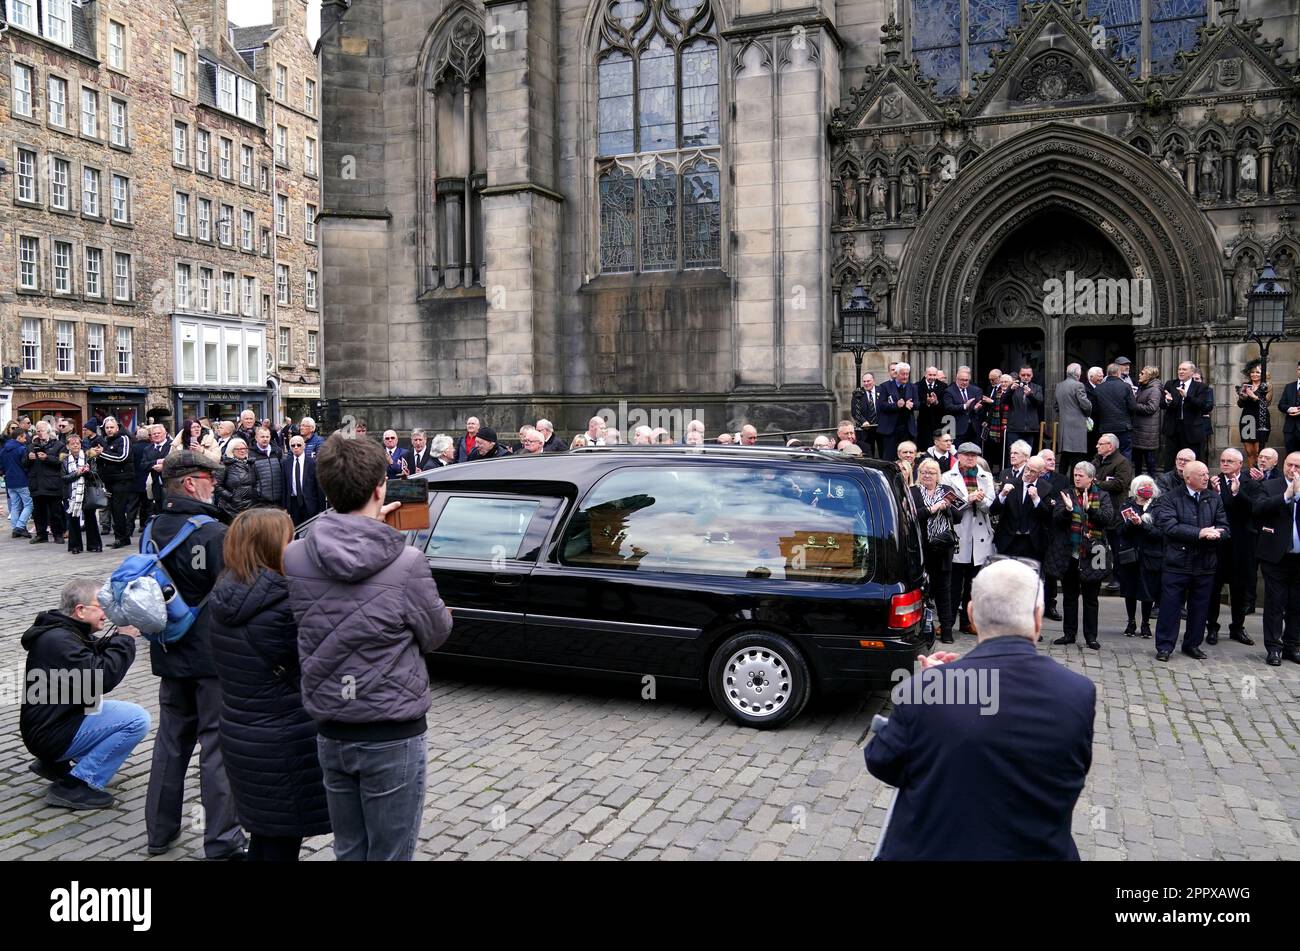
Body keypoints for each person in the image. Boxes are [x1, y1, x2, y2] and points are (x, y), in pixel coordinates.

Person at [283, 433, 454, 861]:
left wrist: (369, 529)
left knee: (350, 848)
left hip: (332, 725)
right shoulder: (408, 562)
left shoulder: (295, 556)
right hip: (391, 729)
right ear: (381, 487)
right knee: (390, 853)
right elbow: (436, 634)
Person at [864, 559, 1095, 860]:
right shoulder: (1078, 693)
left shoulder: (929, 691)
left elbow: (883, 761)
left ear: (971, 614)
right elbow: (1071, 772)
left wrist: (932, 685)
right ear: (1038, 618)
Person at [208, 509, 332, 861]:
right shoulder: (282, 603)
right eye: (289, 539)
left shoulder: (225, 592)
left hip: (241, 731)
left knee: (266, 833)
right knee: (282, 839)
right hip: (282, 738)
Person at [144, 450, 247, 859]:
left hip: (169, 650)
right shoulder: (214, 532)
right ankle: (222, 841)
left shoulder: (152, 527)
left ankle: (159, 832)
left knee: (171, 742)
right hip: (212, 658)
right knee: (217, 748)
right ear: (190, 483)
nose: (214, 484)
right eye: (209, 477)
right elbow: (233, 596)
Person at [20, 580, 146, 810]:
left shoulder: (64, 632)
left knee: (93, 702)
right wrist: (125, 639)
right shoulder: (60, 640)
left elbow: (95, 653)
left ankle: (55, 764)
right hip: (50, 733)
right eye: (102, 607)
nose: (106, 614)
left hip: (50, 727)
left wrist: (120, 637)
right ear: (80, 610)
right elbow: (102, 678)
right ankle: (77, 784)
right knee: (136, 719)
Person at [1151, 460, 1229, 663]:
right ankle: (1165, 646)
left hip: (1205, 562)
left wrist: (1217, 534)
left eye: (1206, 474)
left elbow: (1224, 526)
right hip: (1177, 562)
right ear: (1188, 478)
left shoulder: (1213, 498)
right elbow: (1170, 527)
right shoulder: (1169, 498)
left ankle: (1192, 644)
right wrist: (1200, 533)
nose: (1206, 478)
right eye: (1202, 475)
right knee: (1170, 607)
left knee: (1200, 607)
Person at [1045, 461, 1114, 650]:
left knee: (1091, 598)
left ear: (1091, 478)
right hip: (1070, 553)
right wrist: (1068, 510)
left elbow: (1107, 519)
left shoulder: (1102, 495)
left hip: (1094, 553)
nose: (1076, 478)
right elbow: (1056, 519)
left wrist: (1089, 509)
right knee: (1069, 596)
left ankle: (1091, 636)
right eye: (1075, 474)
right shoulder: (1066, 494)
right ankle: (1069, 634)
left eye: (1080, 475)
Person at [1249, 451, 1300, 666]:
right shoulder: (1270, 485)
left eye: (1298, 467)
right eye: (1290, 465)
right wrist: (1287, 496)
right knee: (1274, 603)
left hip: (1299, 557)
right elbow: (1258, 509)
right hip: (1275, 556)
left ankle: (1292, 645)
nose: (1293, 470)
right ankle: (1274, 647)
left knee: (1297, 604)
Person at [940, 442, 995, 636]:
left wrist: (980, 501)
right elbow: (949, 505)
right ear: (959, 456)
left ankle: (968, 621)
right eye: (967, 455)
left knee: (973, 584)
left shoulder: (985, 477)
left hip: (979, 536)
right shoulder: (947, 477)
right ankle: (948, 621)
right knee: (954, 584)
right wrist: (968, 500)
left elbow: (991, 506)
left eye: (974, 455)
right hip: (959, 533)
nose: (970, 458)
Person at [1205, 449, 1256, 647]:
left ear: (1240, 464)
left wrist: (1237, 492)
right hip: (1218, 543)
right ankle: (1212, 627)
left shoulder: (1249, 483)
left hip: (1241, 544)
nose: (1224, 464)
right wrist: (1216, 494)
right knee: (1214, 587)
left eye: (1229, 461)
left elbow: (1254, 508)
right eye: (1223, 460)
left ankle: (1237, 626)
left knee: (1239, 588)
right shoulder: (1213, 482)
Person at [912, 459, 957, 643]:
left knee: (943, 591)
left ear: (937, 474)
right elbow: (914, 515)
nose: (927, 475)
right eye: (924, 472)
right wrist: (934, 508)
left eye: (931, 472)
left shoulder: (947, 490)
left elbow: (959, 516)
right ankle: (923, 630)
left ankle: (947, 630)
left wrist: (947, 508)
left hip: (943, 548)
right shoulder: (913, 491)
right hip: (922, 548)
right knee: (922, 591)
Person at [1115, 475, 1163, 638]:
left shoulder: (1158, 506)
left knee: (1147, 591)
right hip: (1130, 555)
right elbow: (1120, 530)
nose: (1147, 488)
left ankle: (1145, 623)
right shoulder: (1127, 505)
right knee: (1130, 590)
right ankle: (1131, 622)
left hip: (1150, 555)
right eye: (1144, 486)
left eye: (1150, 485)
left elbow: (1160, 533)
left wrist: (1142, 525)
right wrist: (1131, 523)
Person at [991, 454, 1051, 564]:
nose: (1028, 473)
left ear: (1040, 473)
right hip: (1009, 540)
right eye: (1027, 468)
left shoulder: (1045, 487)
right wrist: (1003, 494)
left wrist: (1036, 499)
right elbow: (993, 510)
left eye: (1033, 471)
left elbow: (1047, 517)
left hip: (1032, 542)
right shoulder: (1010, 483)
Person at [60, 433, 103, 554]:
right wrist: (77, 473)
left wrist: (88, 471)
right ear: (68, 446)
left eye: (77, 443)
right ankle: (75, 546)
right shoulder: (64, 460)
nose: (75, 445)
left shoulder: (89, 456)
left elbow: (95, 474)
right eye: (72, 444)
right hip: (71, 493)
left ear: (81, 445)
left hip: (87, 491)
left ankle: (94, 545)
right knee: (73, 519)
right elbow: (64, 477)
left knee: (90, 518)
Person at [24, 420, 66, 544]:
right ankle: (41, 535)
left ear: (48, 431)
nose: (39, 433)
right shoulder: (31, 446)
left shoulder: (59, 445)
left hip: (53, 484)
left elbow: (62, 462)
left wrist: (47, 458)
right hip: (36, 483)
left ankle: (58, 534)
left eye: (41, 430)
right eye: (37, 430)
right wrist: (28, 458)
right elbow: (24, 464)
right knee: (38, 512)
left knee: (55, 512)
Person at [1163, 361, 1211, 466]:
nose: (1180, 372)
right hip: (1173, 429)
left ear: (1192, 372)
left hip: (1192, 430)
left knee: (1193, 461)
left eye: (1184, 369)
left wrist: (1187, 396)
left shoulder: (1201, 387)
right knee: (1171, 461)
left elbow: (1202, 405)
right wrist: (1168, 401)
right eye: (1179, 369)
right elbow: (1161, 404)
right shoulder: (1170, 384)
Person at [1053, 363, 1093, 474]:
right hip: (1077, 427)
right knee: (1077, 459)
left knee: (1064, 458)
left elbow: (1055, 406)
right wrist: (1088, 413)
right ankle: (1073, 485)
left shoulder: (1059, 386)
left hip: (1064, 427)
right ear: (1078, 373)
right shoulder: (1078, 385)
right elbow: (1086, 405)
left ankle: (1061, 483)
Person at [1092, 364, 1137, 461]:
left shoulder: (1098, 388)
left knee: (1106, 453)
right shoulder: (1126, 386)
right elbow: (1133, 407)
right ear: (1118, 373)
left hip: (1105, 427)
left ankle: (1108, 475)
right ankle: (1124, 475)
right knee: (1125, 454)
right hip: (1123, 427)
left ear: (1107, 374)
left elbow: (1094, 410)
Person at [878, 362, 919, 461]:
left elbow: (918, 404)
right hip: (890, 429)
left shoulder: (913, 387)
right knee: (889, 458)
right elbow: (881, 405)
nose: (905, 376)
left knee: (907, 458)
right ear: (896, 374)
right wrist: (896, 405)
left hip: (907, 429)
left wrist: (912, 405)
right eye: (902, 374)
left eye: (907, 374)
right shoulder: (885, 386)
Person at [135, 424, 172, 529]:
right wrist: (156, 462)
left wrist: (164, 467)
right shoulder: (148, 449)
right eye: (154, 434)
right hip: (155, 484)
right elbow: (143, 465)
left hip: (170, 484)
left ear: (165, 434)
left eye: (158, 433)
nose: (156, 435)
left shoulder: (172, 446)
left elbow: (176, 462)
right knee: (158, 509)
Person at [1237, 359, 1271, 469]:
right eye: (1252, 372)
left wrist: (1253, 396)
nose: (1254, 374)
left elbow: (1266, 403)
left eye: (1257, 372)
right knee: (1249, 451)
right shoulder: (1246, 385)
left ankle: (1260, 474)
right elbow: (1240, 404)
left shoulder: (1267, 386)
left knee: (1258, 451)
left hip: (1260, 418)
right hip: (1247, 419)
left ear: (1263, 374)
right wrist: (1242, 397)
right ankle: (1252, 475)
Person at [283, 436, 325, 526]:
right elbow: (285, 486)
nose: (296, 447)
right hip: (293, 503)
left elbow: (319, 486)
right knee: (296, 530)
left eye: (299, 445)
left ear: (304, 446)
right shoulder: (286, 463)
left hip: (310, 503)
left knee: (310, 530)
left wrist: (322, 508)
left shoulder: (312, 463)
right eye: (293, 445)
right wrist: (285, 506)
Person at [1132, 366, 1164, 477]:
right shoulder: (1143, 387)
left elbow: (1152, 408)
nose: (1139, 375)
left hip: (1148, 432)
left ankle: (1152, 485)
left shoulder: (1154, 389)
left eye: (1142, 373)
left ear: (1149, 376)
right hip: (1139, 429)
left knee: (1150, 461)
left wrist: (1134, 405)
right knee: (1137, 461)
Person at [2, 426, 33, 537]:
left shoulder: (4, 449)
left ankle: (15, 529)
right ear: (19, 437)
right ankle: (19, 526)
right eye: (24, 438)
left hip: (9, 481)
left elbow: (2, 466)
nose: (25, 440)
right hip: (22, 480)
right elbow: (25, 465)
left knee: (15, 506)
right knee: (29, 504)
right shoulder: (21, 449)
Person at [215, 438, 257, 521]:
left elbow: (257, 482)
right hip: (230, 509)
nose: (242, 451)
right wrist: (231, 497)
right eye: (239, 449)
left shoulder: (251, 464)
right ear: (232, 450)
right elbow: (216, 485)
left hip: (250, 508)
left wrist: (256, 493)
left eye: (244, 448)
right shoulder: (225, 465)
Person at [1005, 365, 1044, 452]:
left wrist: (1030, 395)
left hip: (1030, 429)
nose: (1026, 377)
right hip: (1014, 428)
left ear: (1032, 375)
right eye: (1023, 375)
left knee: (1027, 455)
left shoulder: (1037, 387)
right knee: (1013, 454)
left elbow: (1039, 403)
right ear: (1019, 375)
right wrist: (1010, 390)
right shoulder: (1013, 386)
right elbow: (1003, 402)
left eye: (1028, 375)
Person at [943, 365, 984, 448]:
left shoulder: (976, 390)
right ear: (956, 379)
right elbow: (948, 407)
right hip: (957, 429)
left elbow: (981, 409)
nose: (965, 382)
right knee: (958, 454)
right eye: (962, 380)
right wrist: (964, 406)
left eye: (967, 380)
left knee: (973, 453)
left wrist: (976, 409)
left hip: (973, 428)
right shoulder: (949, 391)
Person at [250, 430, 286, 509]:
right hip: (261, 501)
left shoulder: (277, 451)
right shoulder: (251, 454)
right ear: (256, 438)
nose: (265, 439)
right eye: (262, 437)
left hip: (278, 500)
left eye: (267, 437)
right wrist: (257, 493)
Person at [851, 372, 882, 457]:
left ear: (874, 381)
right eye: (864, 381)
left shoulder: (882, 390)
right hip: (866, 429)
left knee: (883, 452)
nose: (866, 383)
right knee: (868, 453)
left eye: (868, 381)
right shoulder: (858, 393)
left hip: (881, 427)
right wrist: (863, 421)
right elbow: (854, 412)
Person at [916, 366, 946, 447]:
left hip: (938, 422)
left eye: (934, 375)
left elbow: (945, 405)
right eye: (930, 375)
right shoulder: (917, 386)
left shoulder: (943, 386)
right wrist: (927, 402)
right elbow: (916, 404)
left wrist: (936, 402)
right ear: (925, 374)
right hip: (923, 422)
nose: (932, 377)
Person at [1279, 360, 1300, 455]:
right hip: (1289, 429)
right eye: (1299, 369)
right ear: (1297, 370)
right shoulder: (1289, 386)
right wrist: (1289, 409)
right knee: (1290, 455)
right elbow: (1281, 404)